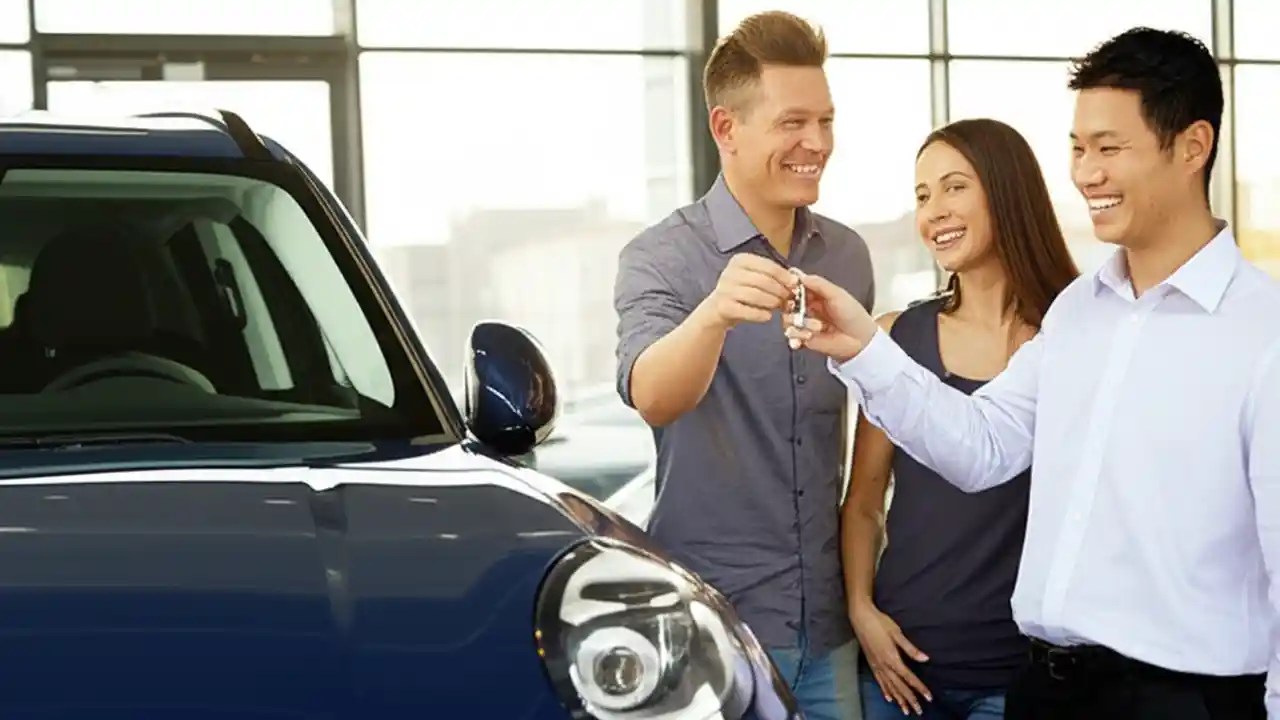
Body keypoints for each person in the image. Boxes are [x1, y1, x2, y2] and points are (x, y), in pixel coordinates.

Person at [784, 26, 1279, 720]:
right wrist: (862, 346)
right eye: (1078, 149)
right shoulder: (1080, 312)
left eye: (1110, 148)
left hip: (1185, 700)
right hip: (1048, 691)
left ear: (1192, 146)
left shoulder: (1263, 334)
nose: (1086, 173)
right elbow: (983, 447)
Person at [612, 10, 874, 720]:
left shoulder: (847, 257)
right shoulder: (661, 258)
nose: (815, 144)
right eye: (793, 123)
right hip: (710, 632)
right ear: (726, 129)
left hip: (827, 630)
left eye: (825, 121)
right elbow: (652, 396)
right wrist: (714, 315)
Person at [846, 118, 1079, 720]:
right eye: (922, 196)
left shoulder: (1073, 337)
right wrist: (861, 612)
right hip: (898, 666)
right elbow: (865, 499)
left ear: (1005, 190)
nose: (934, 211)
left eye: (953, 187)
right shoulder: (896, 339)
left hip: (1019, 674)